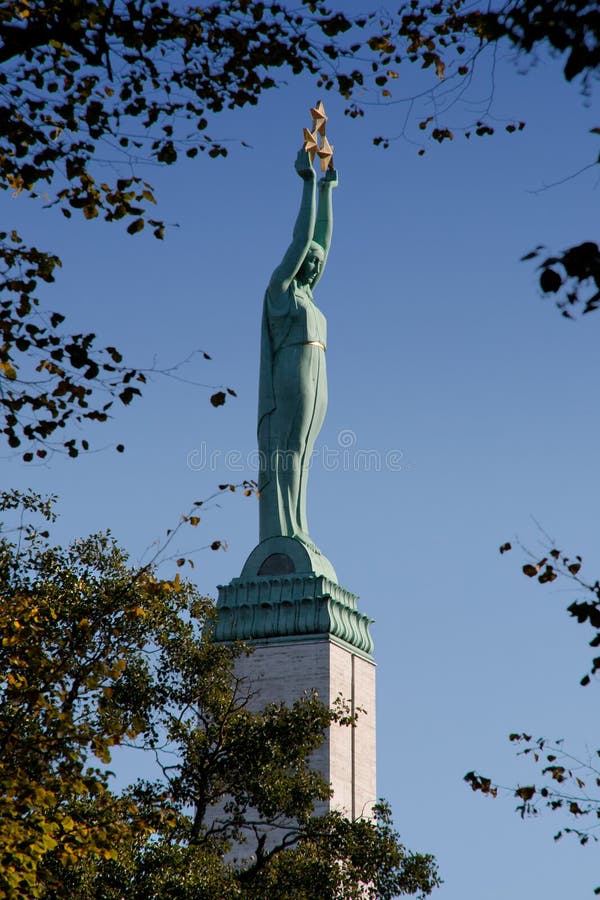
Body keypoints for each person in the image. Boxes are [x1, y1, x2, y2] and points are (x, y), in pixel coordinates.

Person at [258, 148, 338, 548]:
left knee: (304, 456)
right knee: (287, 450)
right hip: (292, 372)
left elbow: (323, 237)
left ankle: (297, 527)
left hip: (317, 373)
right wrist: (309, 184)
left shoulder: (309, 299)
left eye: (320, 262)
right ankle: (281, 529)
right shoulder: (281, 291)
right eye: (313, 259)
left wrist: (329, 190)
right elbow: (306, 237)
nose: (318, 262)